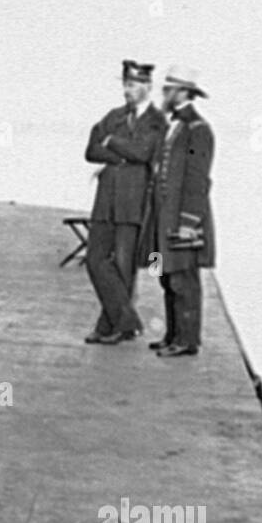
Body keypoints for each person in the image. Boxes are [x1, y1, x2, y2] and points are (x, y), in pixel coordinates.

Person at [82, 60, 166, 344]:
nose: (126, 91)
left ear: (146, 87)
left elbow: (143, 152)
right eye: (125, 84)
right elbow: (91, 150)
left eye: (132, 85)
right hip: (106, 200)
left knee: (123, 266)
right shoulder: (114, 115)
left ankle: (110, 326)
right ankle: (126, 321)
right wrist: (119, 155)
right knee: (95, 260)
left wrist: (112, 142)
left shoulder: (157, 120)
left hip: (132, 202)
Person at [137, 66, 216, 357]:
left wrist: (188, 222)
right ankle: (173, 335)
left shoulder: (198, 129)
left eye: (169, 90)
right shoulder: (173, 124)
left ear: (183, 92)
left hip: (182, 222)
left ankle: (187, 340)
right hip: (161, 219)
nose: (164, 94)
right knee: (165, 276)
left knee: (184, 280)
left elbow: (198, 181)